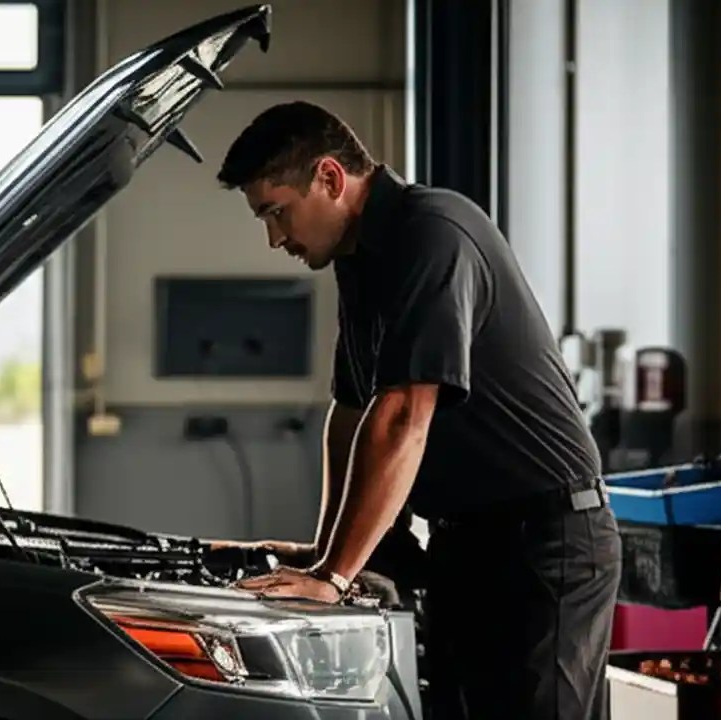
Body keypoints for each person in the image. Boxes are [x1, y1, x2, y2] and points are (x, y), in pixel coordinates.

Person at [212, 101, 623, 720]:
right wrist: (329, 554)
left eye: (276, 212)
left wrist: (335, 576)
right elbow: (351, 411)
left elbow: (404, 412)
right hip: (466, 543)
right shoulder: (360, 261)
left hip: (549, 544)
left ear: (328, 178)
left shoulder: (433, 232)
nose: (275, 238)